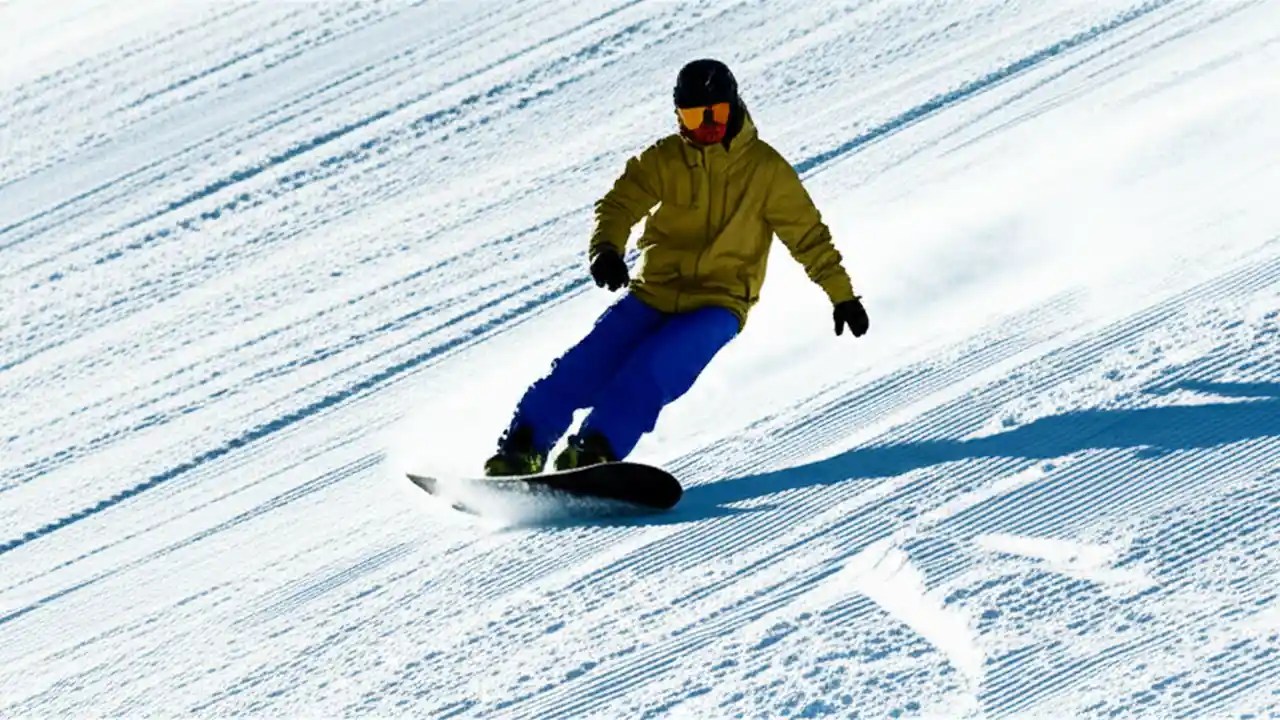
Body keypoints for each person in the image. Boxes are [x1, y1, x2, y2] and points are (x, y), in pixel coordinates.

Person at [484, 58, 870, 476]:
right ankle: (522, 447)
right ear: (679, 117)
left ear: (735, 108)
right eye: (695, 115)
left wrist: (842, 295)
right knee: (583, 366)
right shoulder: (665, 159)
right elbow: (620, 204)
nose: (707, 126)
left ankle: (595, 449)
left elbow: (809, 237)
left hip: (718, 303)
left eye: (717, 114)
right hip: (654, 292)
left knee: (653, 368)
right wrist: (607, 249)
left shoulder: (765, 171)